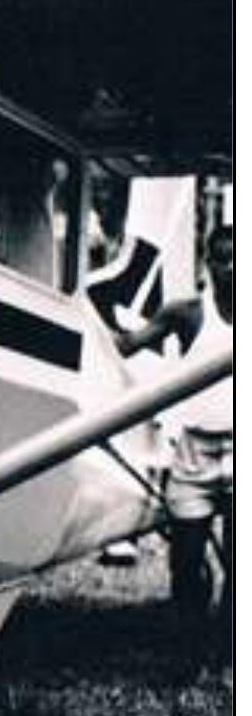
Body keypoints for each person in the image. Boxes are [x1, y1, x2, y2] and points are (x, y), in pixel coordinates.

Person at [122, 223, 233, 668]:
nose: (231, 267)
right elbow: (126, 345)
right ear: (208, 263)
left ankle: (228, 652)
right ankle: (190, 650)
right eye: (222, 258)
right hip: (193, 454)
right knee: (186, 563)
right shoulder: (187, 313)